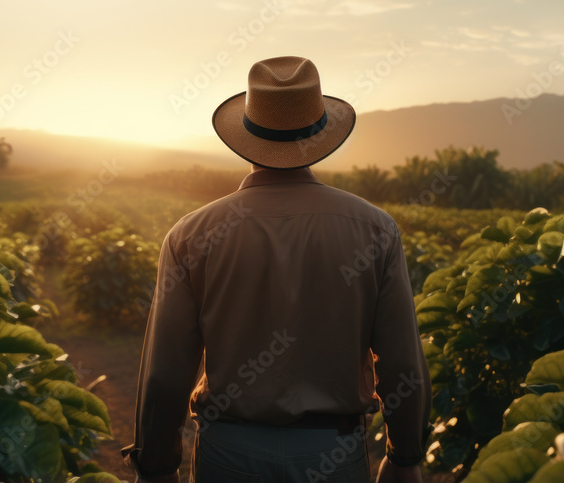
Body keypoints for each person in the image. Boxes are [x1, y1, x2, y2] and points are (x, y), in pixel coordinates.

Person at [122, 56, 433, 483]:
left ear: (247, 136)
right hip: (334, 454)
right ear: (320, 134)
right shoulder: (375, 229)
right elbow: (400, 360)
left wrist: (155, 465)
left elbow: (166, 372)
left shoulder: (191, 235)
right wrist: (405, 456)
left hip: (228, 454)